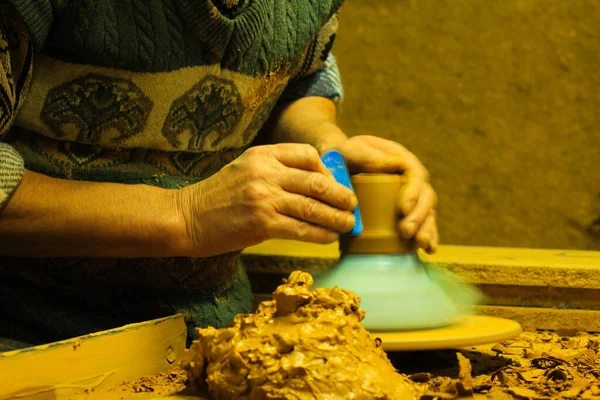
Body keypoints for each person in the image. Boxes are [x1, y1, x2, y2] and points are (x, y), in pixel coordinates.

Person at [0, 0, 438, 351]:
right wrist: (184, 214)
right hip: (28, 343)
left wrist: (324, 141)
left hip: (215, 335)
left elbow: (295, 72)